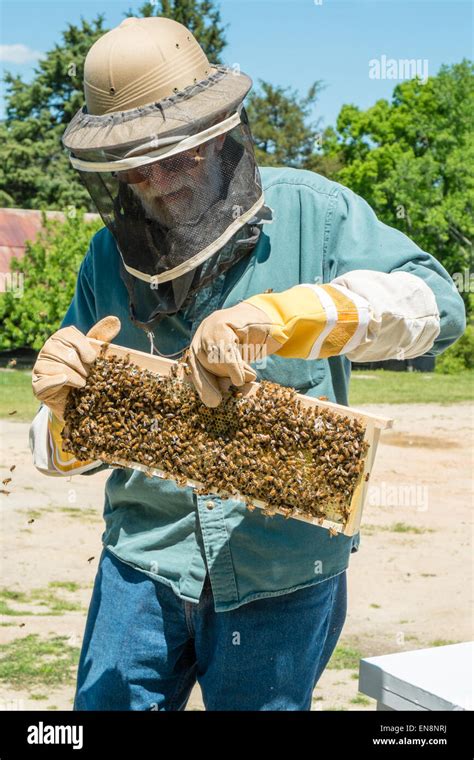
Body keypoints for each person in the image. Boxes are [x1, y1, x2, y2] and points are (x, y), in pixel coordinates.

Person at [29, 17, 465, 711]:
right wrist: (58, 414)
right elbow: (56, 452)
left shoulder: (313, 213)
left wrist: (289, 317)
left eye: (176, 157)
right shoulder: (104, 261)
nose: (157, 181)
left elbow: (438, 307)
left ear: (218, 131)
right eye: (135, 166)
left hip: (283, 576)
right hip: (142, 568)